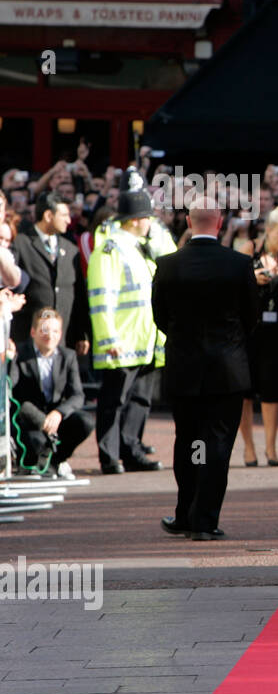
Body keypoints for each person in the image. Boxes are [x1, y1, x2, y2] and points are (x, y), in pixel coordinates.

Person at [153, 198, 258, 540]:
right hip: (225, 369)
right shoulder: (238, 264)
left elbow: (160, 316)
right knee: (215, 445)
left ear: (188, 221)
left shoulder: (168, 265)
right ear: (220, 222)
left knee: (189, 442)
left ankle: (187, 513)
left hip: (185, 368)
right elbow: (250, 316)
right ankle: (204, 519)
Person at [86, 185, 166, 474]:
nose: (151, 223)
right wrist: (108, 337)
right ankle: (109, 457)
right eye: (148, 218)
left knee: (139, 400)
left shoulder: (137, 247)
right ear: (135, 219)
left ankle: (131, 452)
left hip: (144, 339)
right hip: (122, 339)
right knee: (113, 400)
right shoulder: (109, 248)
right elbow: (101, 294)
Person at [7, 307, 93, 479]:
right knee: (36, 442)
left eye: (55, 331)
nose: (49, 335)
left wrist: (58, 413)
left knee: (85, 422)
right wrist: (10, 359)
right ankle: (35, 463)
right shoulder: (21, 353)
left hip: (55, 416)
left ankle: (57, 461)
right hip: (30, 418)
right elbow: (11, 388)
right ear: (33, 332)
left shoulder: (67, 356)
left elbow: (77, 395)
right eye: (44, 330)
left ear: (60, 334)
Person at [238, 207, 278, 467]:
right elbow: (233, 282)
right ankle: (249, 448)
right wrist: (252, 277)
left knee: (272, 390)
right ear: (269, 230)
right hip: (248, 329)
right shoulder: (250, 248)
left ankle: (271, 448)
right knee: (245, 392)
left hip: (275, 330)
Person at [11, 193, 90, 348]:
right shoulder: (21, 244)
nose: (69, 220)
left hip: (64, 340)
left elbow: (79, 295)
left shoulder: (71, 250)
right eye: (64, 215)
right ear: (48, 215)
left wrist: (82, 333)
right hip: (27, 339)